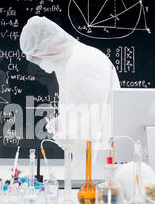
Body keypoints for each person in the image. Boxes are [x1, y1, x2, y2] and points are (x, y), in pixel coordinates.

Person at [19, 16, 120, 147]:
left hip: (98, 150)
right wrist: (62, 122)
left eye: (36, 56)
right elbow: (81, 107)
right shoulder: (66, 64)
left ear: (49, 45)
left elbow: (103, 109)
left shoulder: (79, 62)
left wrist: (71, 132)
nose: (38, 62)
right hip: (86, 149)